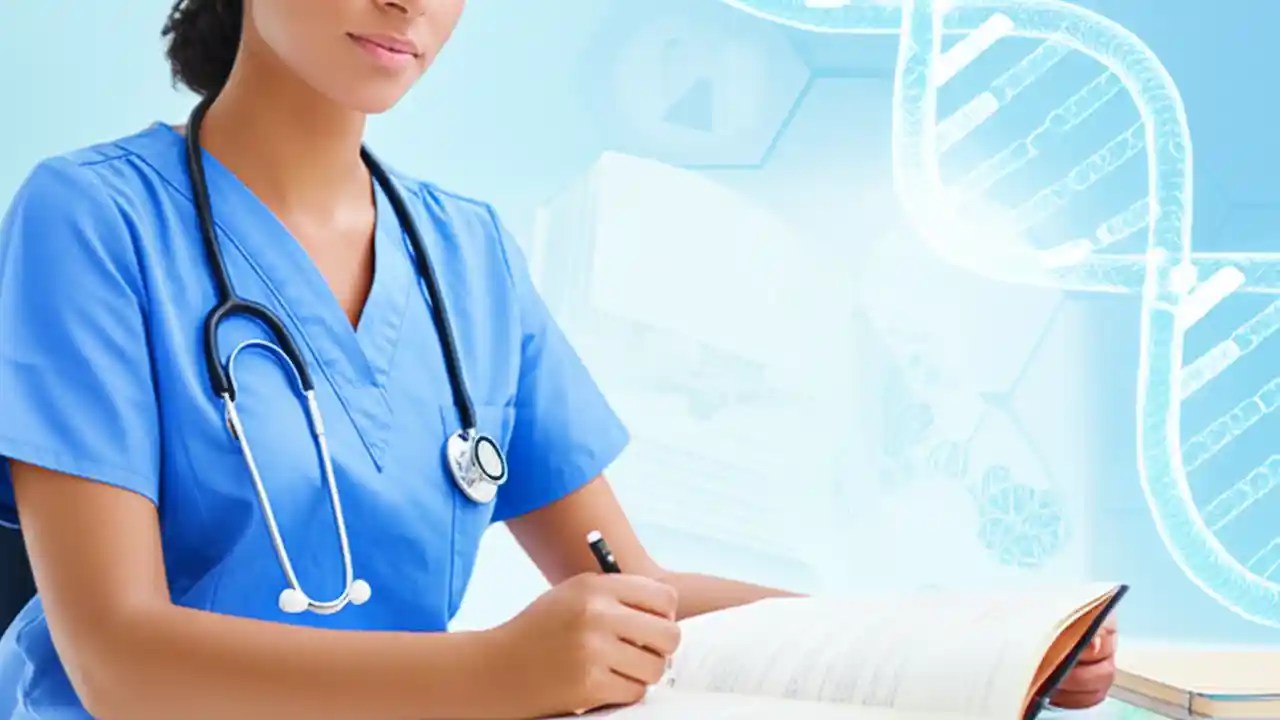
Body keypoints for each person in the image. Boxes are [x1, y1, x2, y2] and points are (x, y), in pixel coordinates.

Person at [0, 1, 1119, 717]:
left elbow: (620, 596)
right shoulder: (92, 217)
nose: (410, 2)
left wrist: (969, 651)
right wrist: (490, 674)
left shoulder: (467, 252)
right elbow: (120, 665)